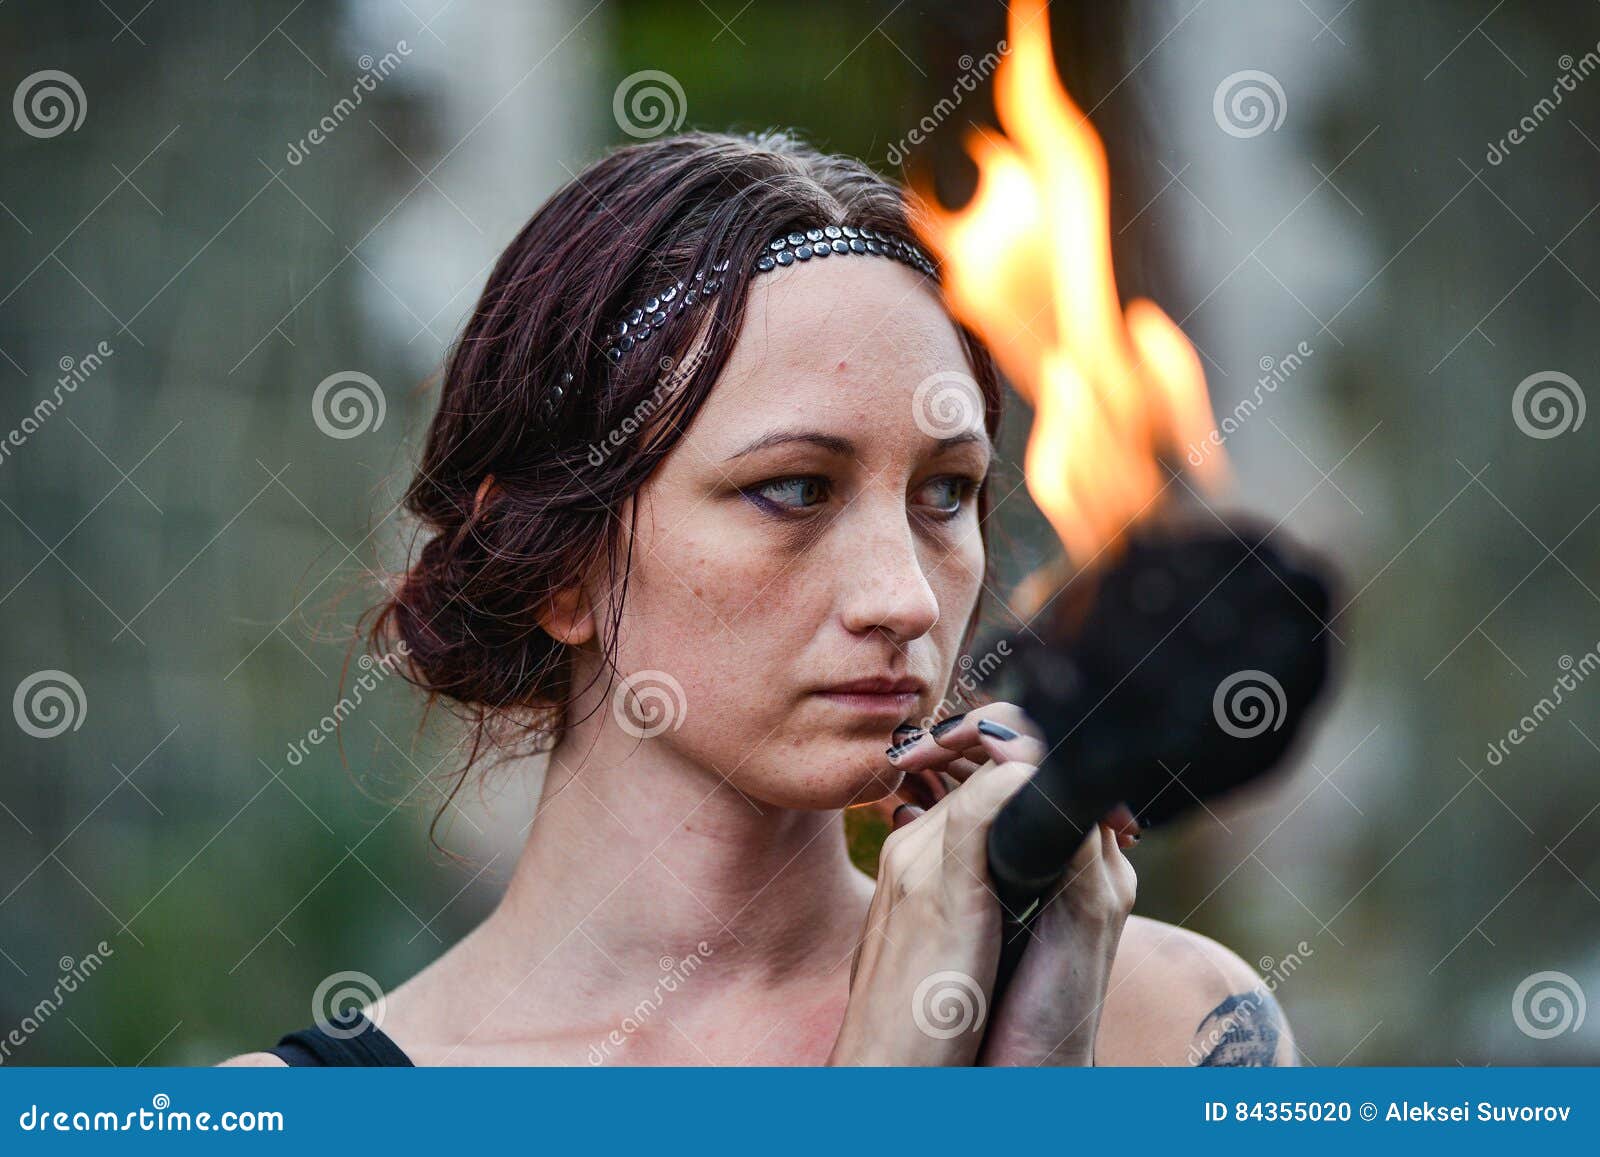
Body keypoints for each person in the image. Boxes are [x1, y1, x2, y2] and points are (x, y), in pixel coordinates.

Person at [222, 129, 1296, 1067]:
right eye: (791, 488)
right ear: (553, 560)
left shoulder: (1168, 1027)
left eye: (945, 492)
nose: (905, 599)